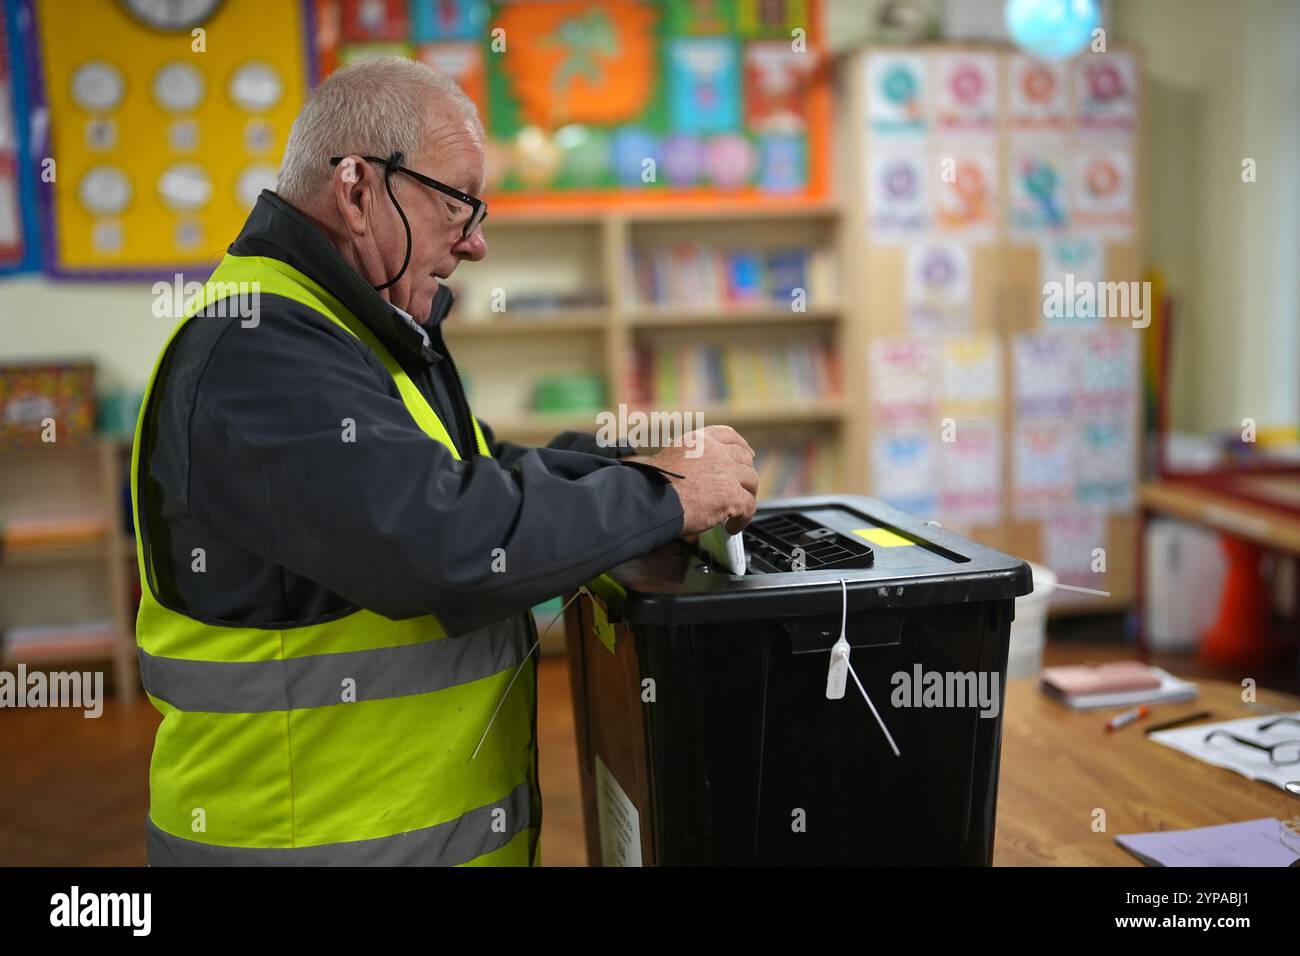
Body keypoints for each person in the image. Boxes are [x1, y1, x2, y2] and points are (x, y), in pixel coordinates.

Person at [131, 57, 758, 866]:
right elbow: (444, 541)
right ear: (356, 189)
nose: (477, 242)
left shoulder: (351, 327)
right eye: (456, 201)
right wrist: (663, 496)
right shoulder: (259, 348)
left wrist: (637, 465)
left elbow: (473, 472)